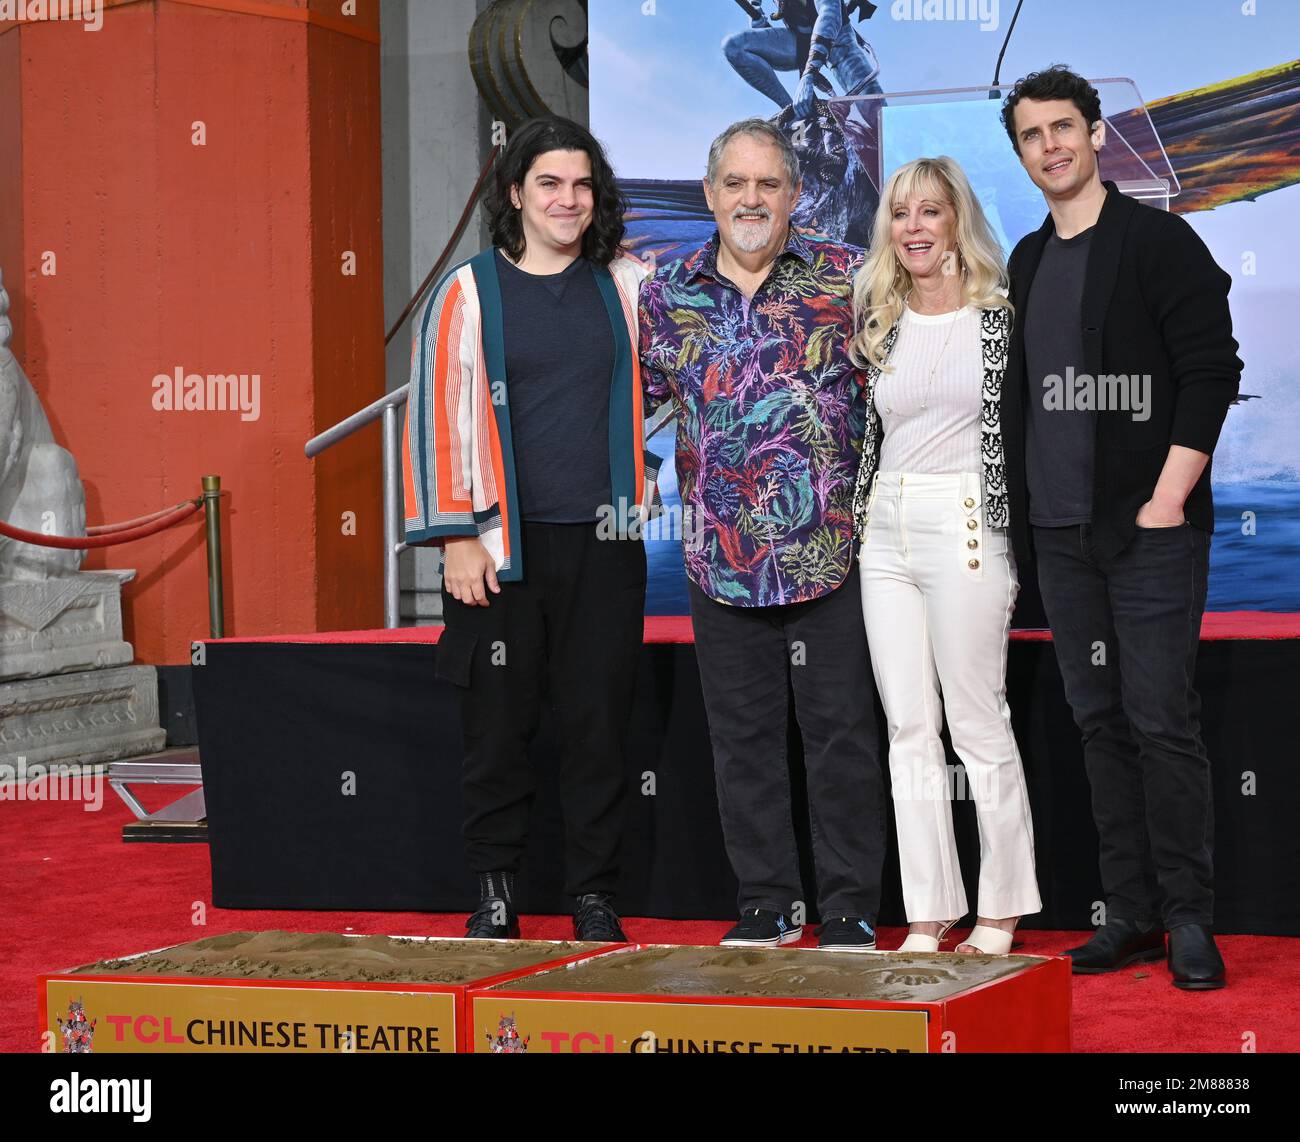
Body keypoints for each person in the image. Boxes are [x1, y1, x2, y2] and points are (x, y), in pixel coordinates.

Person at [1000, 66, 1242, 988]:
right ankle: (1129, 913)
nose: (1051, 146)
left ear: (1097, 134)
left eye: (1065, 127)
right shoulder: (1026, 259)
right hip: (1059, 538)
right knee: (1098, 724)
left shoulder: (1158, 240)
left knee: (1160, 722)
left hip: (1149, 533)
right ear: (1019, 151)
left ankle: (1188, 917)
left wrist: (1167, 501)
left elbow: (1211, 372)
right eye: (1032, 135)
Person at [402, 116, 659, 942]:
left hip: (604, 545)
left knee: (597, 730)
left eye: (582, 185)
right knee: (497, 732)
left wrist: (644, 464)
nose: (568, 199)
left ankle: (594, 897)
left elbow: (674, 383)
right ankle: (496, 894)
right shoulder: (469, 292)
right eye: (549, 183)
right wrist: (454, 538)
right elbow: (436, 418)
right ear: (515, 194)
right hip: (499, 549)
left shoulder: (626, 285)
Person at [639, 118, 886, 951]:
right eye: (735, 185)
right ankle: (768, 906)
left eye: (768, 184)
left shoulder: (848, 278)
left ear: (794, 194)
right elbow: (635, 412)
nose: (752, 199)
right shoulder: (665, 294)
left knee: (842, 737)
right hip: (720, 562)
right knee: (741, 743)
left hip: (834, 553)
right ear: (710, 196)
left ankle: (850, 906)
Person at [848, 156, 1042, 955]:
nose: (915, 227)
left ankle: (1001, 908)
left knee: (976, 721)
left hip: (968, 523)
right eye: (901, 213)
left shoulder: (1001, 319)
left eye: (931, 211)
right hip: (883, 530)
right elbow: (872, 437)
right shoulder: (878, 320)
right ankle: (929, 912)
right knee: (906, 725)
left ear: (958, 219)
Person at [723, 0, 883, 119]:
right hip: (800, 40)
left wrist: (808, 75)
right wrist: (758, 18)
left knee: (878, 115)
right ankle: (795, 113)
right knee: (734, 47)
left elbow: (829, 15)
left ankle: (896, 154)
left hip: (838, 39)